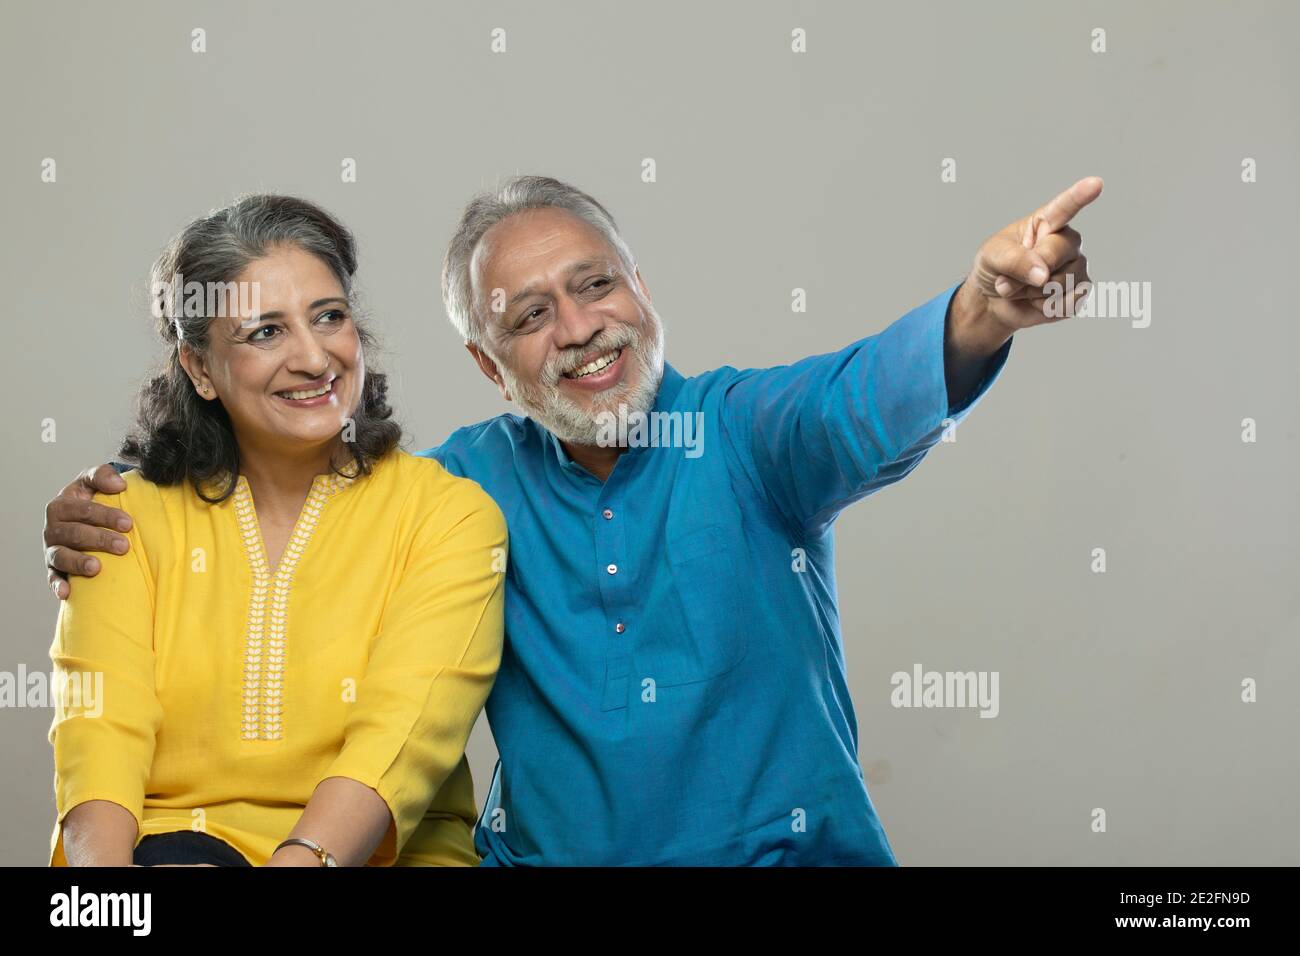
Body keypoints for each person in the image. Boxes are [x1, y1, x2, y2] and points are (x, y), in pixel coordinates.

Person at [45, 175, 1098, 865]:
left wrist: (980, 311)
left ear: (642, 287)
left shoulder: (746, 433)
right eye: (528, 316)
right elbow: (287, 489)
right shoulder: (461, 487)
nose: (581, 329)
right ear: (486, 365)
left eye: (595, 284)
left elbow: (864, 395)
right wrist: (123, 493)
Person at [44, 195, 506, 867]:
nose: (315, 359)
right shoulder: (122, 518)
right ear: (199, 369)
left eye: (329, 317)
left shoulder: (448, 518)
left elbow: (401, 736)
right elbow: (99, 735)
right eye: (266, 332)